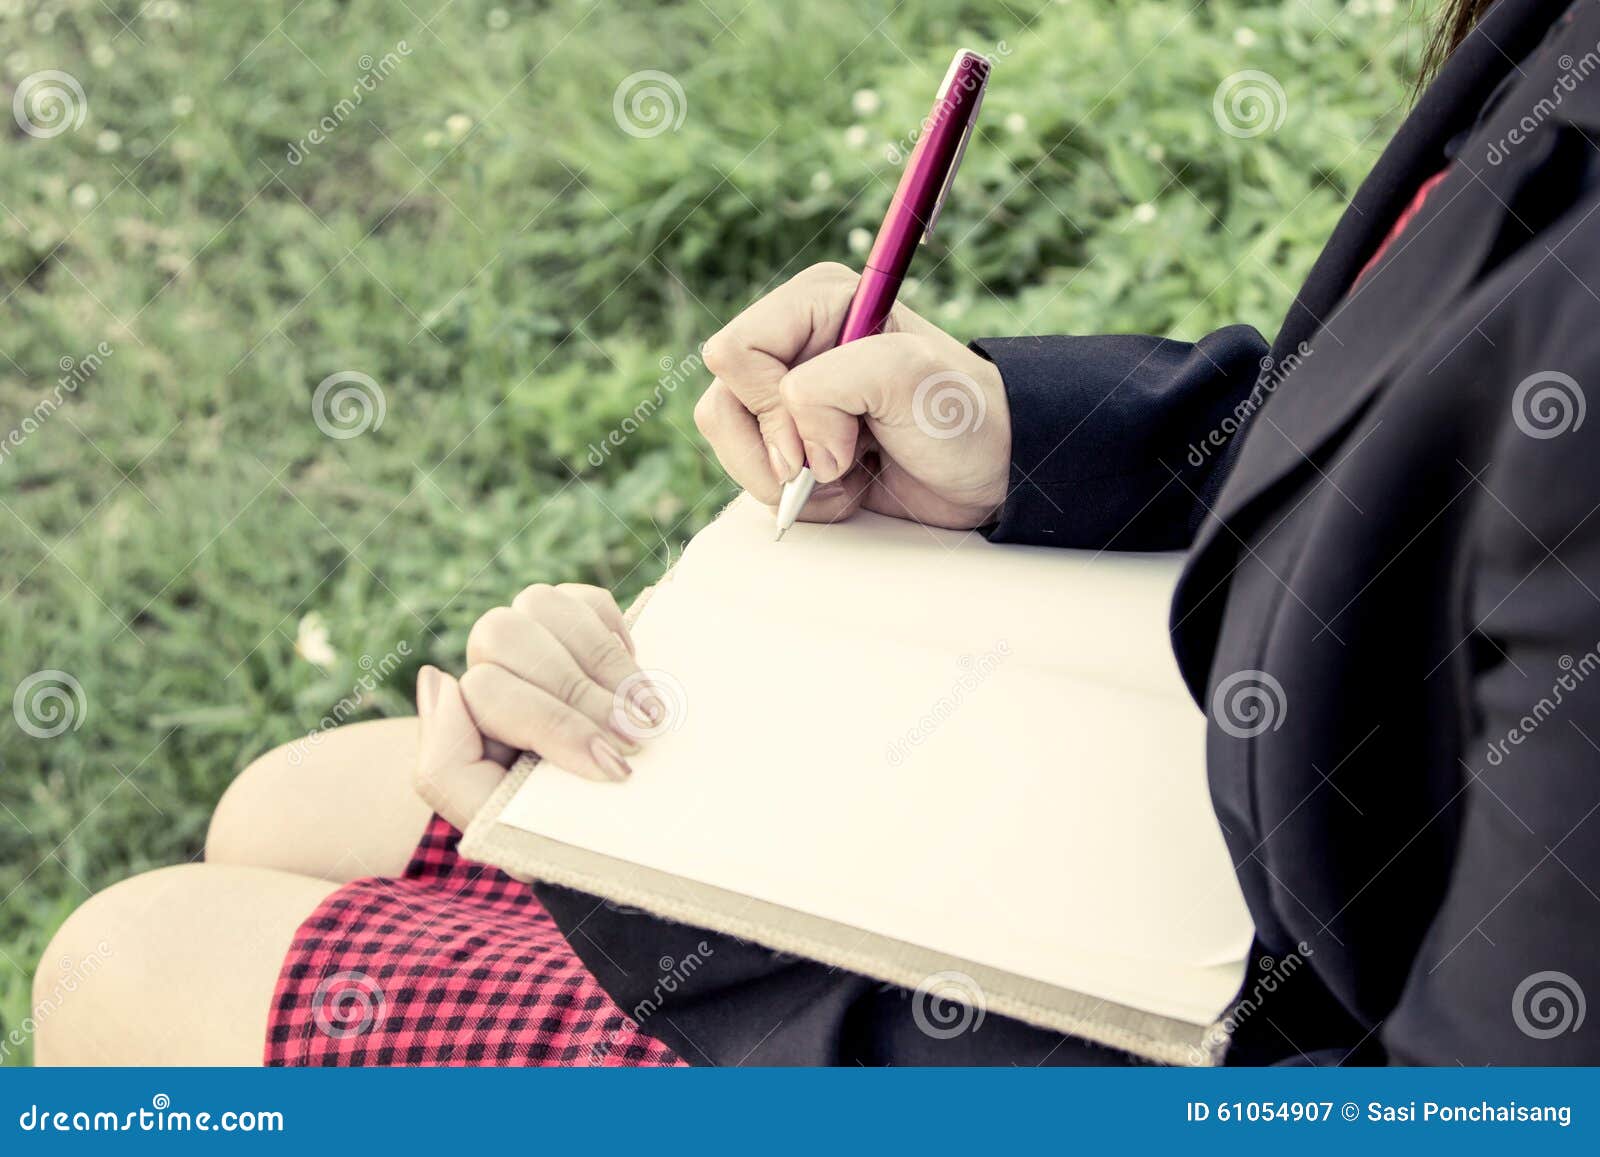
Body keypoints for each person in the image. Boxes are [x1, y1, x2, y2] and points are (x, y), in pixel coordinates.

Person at [37, 0, 1600, 1065]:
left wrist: (683, 900)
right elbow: (1422, 425)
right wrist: (1013, 438)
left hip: (1135, 1021)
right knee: (285, 802)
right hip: (1179, 823)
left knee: (127, 969)